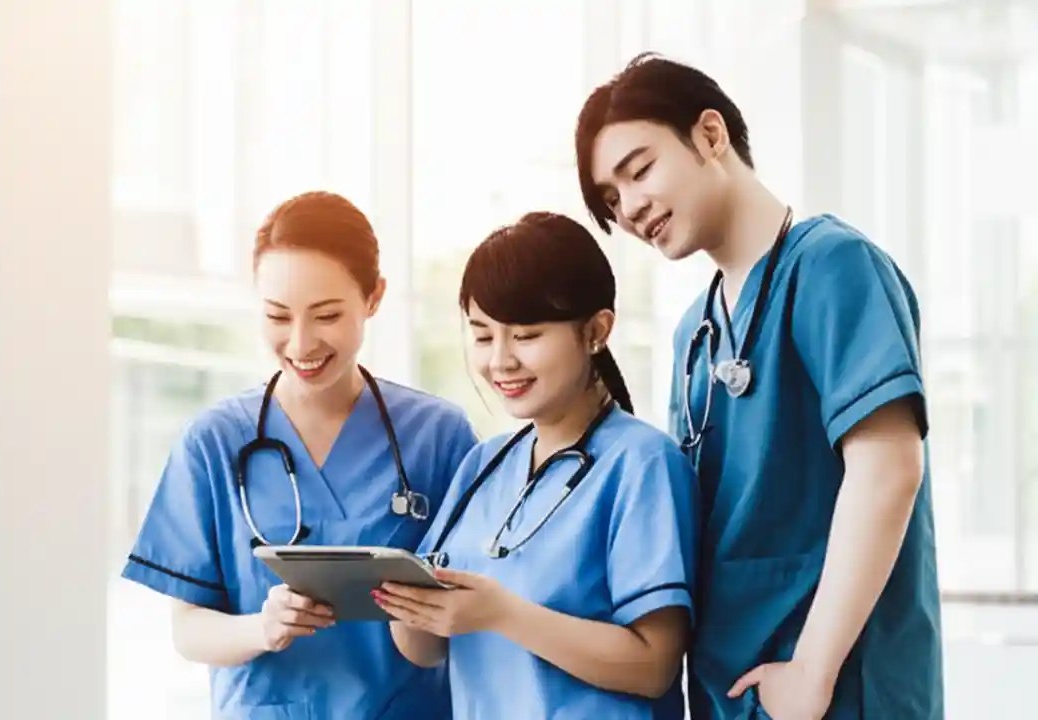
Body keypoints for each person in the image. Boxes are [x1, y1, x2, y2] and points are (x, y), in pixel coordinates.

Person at [574, 53, 943, 719]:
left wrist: (812, 671)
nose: (630, 208)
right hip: (730, 688)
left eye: (640, 170)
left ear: (710, 135)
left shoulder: (832, 266)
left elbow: (888, 469)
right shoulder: (695, 335)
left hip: (836, 688)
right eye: (611, 198)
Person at [121, 191, 477, 719]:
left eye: (327, 315)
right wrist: (261, 628)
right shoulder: (216, 442)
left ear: (373, 298)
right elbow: (189, 629)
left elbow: (471, 615)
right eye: (278, 316)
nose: (301, 342)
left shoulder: (438, 437)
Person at [378, 212, 698, 719]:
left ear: (596, 330)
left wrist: (501, 613)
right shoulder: (485, 463)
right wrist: (405, 606)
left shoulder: (642, 464)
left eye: (525, 335)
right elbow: (426, 650)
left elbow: (654, 666)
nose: (500, 361)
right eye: (483, 336)